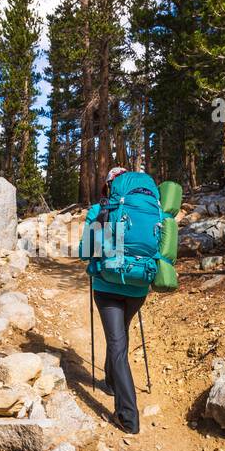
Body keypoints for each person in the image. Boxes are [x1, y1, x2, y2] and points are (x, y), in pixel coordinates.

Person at [86, 166, 149, 434]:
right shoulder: (147, 207)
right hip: (138, 287)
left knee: (117, 344)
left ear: (109, 186)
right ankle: (111, 382)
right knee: (120, 335)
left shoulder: (101, 209)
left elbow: (89, 251)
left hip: (107, 286)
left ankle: (128, 417)